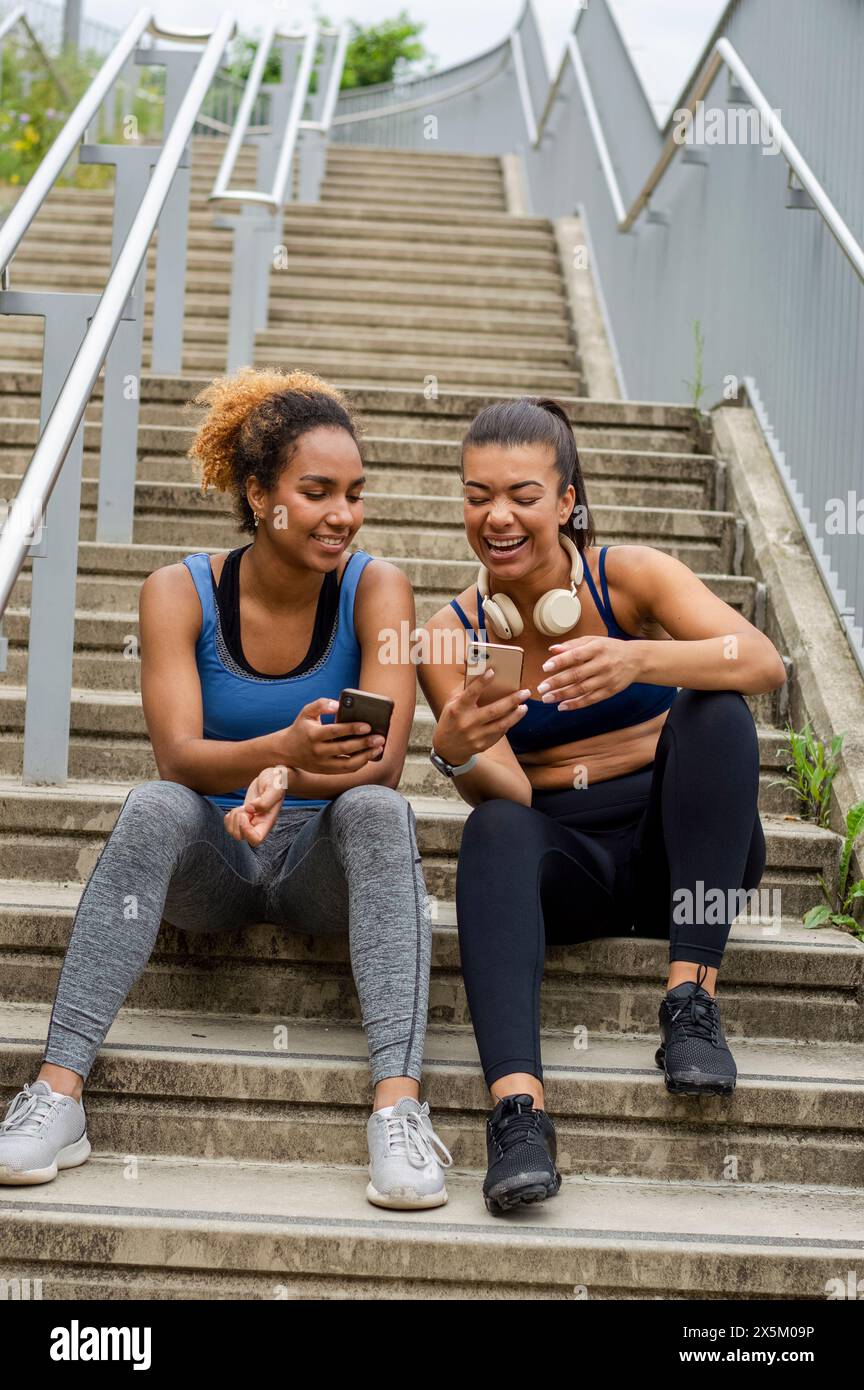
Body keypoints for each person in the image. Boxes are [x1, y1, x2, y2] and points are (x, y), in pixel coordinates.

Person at [0, 367, 452, 1209]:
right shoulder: (179, 592)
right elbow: (178, 758)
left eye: (355, 493)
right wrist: (278, 749)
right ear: (258, 493)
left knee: (381, 810)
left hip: (324, 870)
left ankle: (399, 1112)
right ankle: (57, 1096)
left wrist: (285, 772)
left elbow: (382, 763)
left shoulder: (375, 587)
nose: (343, 515)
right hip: (219, 862)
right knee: (153, 804)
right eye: (316, 491)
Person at [418, 396, 785, 1215]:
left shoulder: (630, 577)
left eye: (522, 494)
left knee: (716, 706)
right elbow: (510, 794)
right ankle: (519, 1116)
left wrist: (637, 660)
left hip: (683, 854)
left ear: (567, 500)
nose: (498, 516)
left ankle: (691, 1004)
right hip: (567, 872)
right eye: (478, 495)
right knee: (495, 826)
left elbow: (761, 662)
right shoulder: (450, 633)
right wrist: (457, 747)